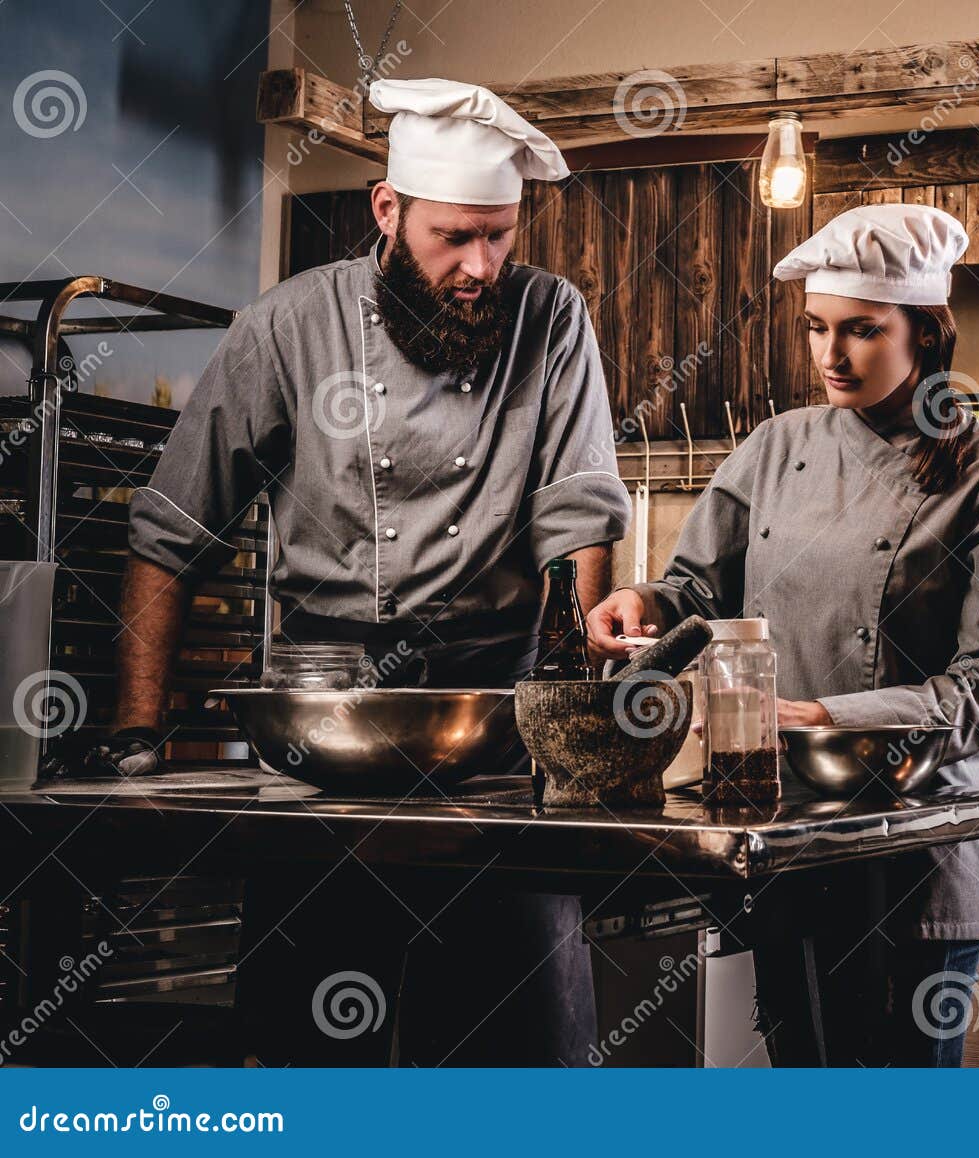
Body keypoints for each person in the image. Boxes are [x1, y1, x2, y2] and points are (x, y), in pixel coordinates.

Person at [109, 78, 630, 1065]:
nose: (482, 265)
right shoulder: (286, 328)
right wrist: (138, 734)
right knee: (310, 1064)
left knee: (529, 1059)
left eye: (500, 234)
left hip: (492, 738)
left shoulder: (551, 318)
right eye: (454, 237)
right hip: (324, 741)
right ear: (386, 211)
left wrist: (574, 712)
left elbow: (577, 523)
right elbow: (171, 528)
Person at [586, 203, 979, 1066]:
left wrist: (825, 716)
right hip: (788, 842)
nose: (831, 356)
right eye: (816, 329)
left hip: (915, 849)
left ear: (928, 334)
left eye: (862, 331)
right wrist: (642, 602)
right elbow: (695, 591)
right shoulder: (773, 446)